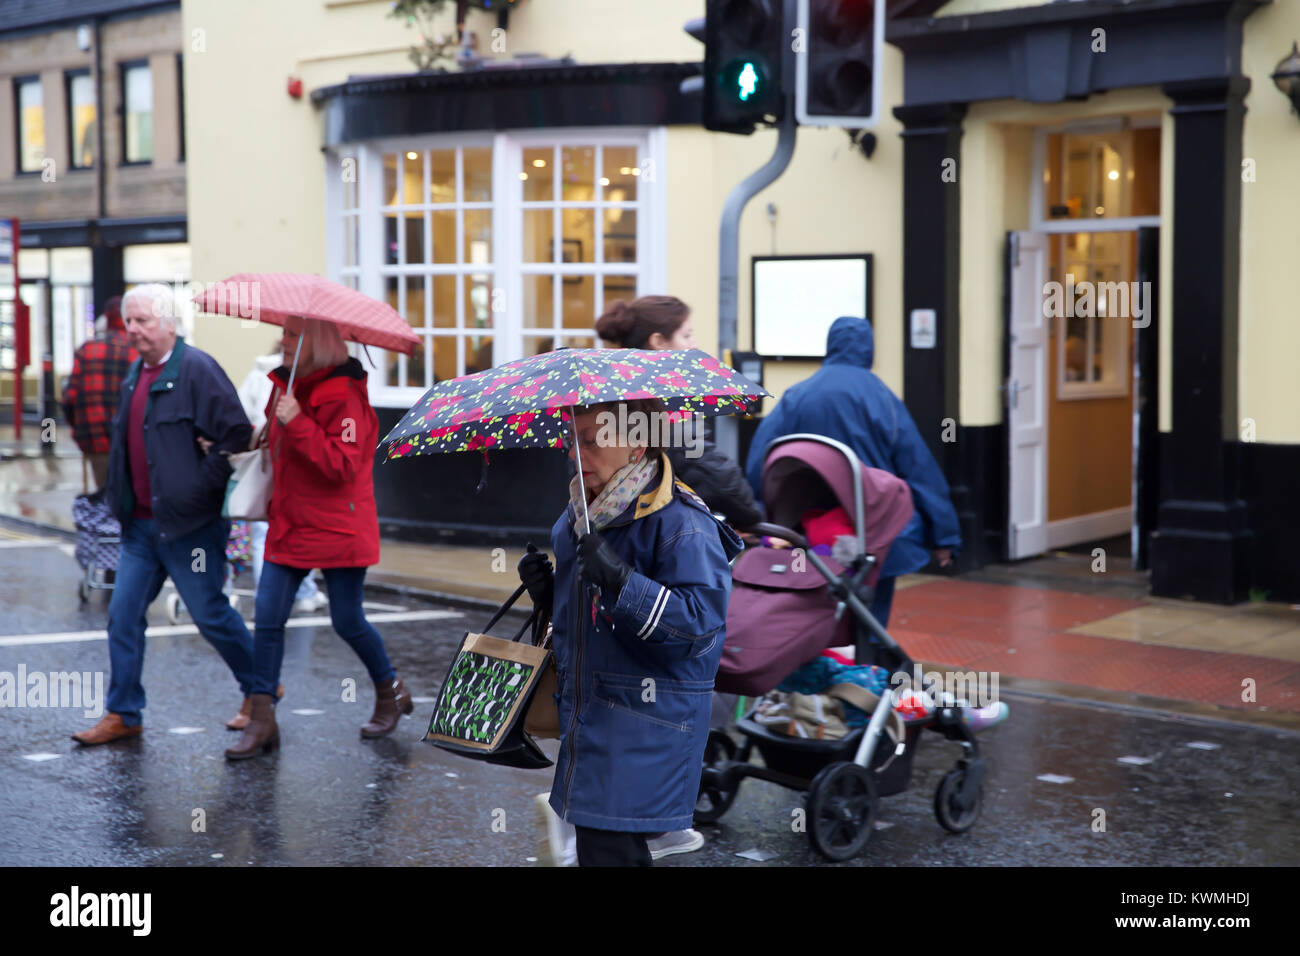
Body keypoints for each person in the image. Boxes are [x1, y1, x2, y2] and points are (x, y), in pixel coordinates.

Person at [517, 399, 742, 867]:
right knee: (602, 848)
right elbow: (585, 623)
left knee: (608, 850)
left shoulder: (683, 524)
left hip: (650, 721)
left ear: (636, 443)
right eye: (571, 440)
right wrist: (548, 594)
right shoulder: (579, 516)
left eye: (591, 441)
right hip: (592, 719)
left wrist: (623, 580)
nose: (576, 454)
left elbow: (698, 628)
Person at [73, 284, 257, 745]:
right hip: (139, 525)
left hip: (188, 525)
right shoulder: (135, 372)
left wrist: (200, 485)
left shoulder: (197, 369)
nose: (132, 330)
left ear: (170, 324)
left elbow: (236, 433)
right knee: (123, 614)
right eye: (128, 322)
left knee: (210, 614)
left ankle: (261, 692)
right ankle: (124, 712)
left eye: (143, 321)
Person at [226, 317, 412, 759]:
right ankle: (261, 718)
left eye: (293, 336)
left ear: (318, 343)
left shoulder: (345, 393)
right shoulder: (284, 384)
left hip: (337, 525)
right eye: (286, 334)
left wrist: (298, 422)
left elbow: (342, 465)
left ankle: (389, 689)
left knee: (347, 620)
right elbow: (275, 439)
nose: (283, 342)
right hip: (289, 520)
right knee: (268, 618)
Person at [745, 316, 961, 627]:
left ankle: (824, 664)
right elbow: (919, 469)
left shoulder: (797, 394)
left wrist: (755, 514)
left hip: (812, 528)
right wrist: (946, 536)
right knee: (872, 615)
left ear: (829, 346)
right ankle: (869, 665)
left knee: (813, 608)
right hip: (871, 529)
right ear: (869, 350)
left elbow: (760, 461)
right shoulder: (884, 399)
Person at [594, 295, 762, 531]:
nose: (693, 344)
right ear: (658, 341)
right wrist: (755, 517)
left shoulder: (605, 395)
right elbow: (715, 476)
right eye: (686, 335)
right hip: (656, 540)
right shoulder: (658, 405)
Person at [235, 339, 327, 616]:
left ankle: (276, 595)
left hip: (266, 460)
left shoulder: (257, 373)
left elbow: (242, 412)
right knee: (295, 529)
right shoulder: (298, 379)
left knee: (265, 532)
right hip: (288, 461)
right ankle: (298, 592)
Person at [61, 295, 137, 490]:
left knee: (104, 497)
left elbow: (69, 398)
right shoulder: (134, 350)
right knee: (131, 497)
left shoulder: (86, 350)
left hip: (95, 439)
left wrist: (77, 429)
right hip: (130, 440)